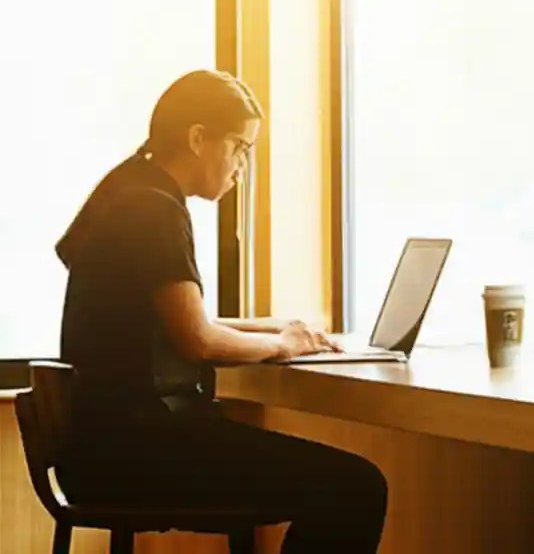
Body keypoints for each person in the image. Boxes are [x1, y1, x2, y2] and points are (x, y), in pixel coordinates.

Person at [54, 70, 388, 553]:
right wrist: (280, 346)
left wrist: (275, 328)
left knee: (345, 485)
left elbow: (171, 321)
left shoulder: (130, 189)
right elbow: (198, 340)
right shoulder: (153, 209)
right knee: (355, 488)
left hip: (106, 447)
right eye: (239, 147)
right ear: (197, 139)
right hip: (139, 450)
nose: (241, 166)